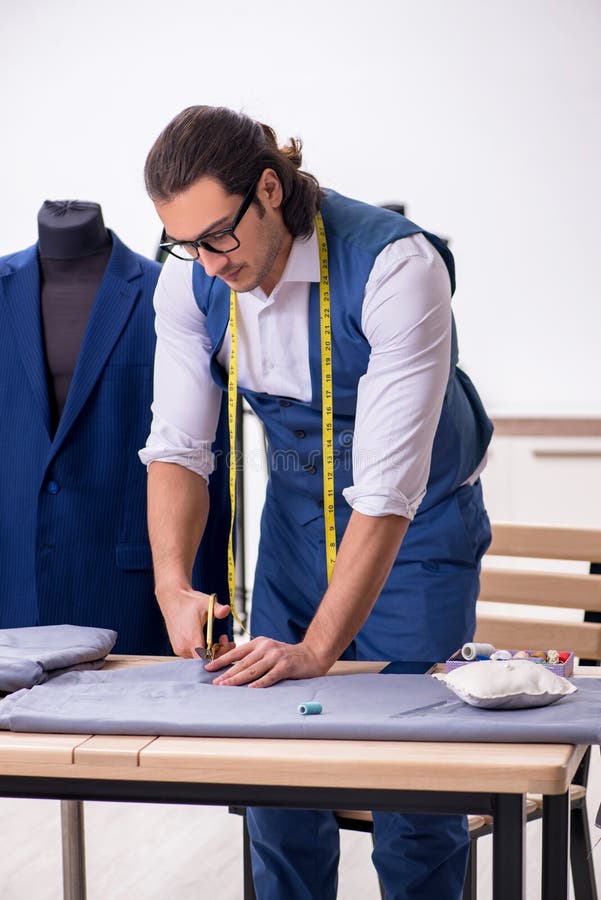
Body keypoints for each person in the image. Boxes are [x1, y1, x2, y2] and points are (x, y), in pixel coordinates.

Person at [140, 105, 493, 900]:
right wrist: (170, 586)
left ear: (269, 189)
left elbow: (388, 490)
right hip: (299, 524)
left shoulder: (397, 265)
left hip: (418, 528)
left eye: (218, 236)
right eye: (184, 242)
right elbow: (177, 449)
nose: (205, 261)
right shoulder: (190, 280)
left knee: (415, 782)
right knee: (275, 774)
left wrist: (318, 648)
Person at [0, 199, 230, 654]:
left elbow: (205, 462)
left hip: (132, 593)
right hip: (13, 576)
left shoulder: (168, 294)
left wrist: (206, 609)